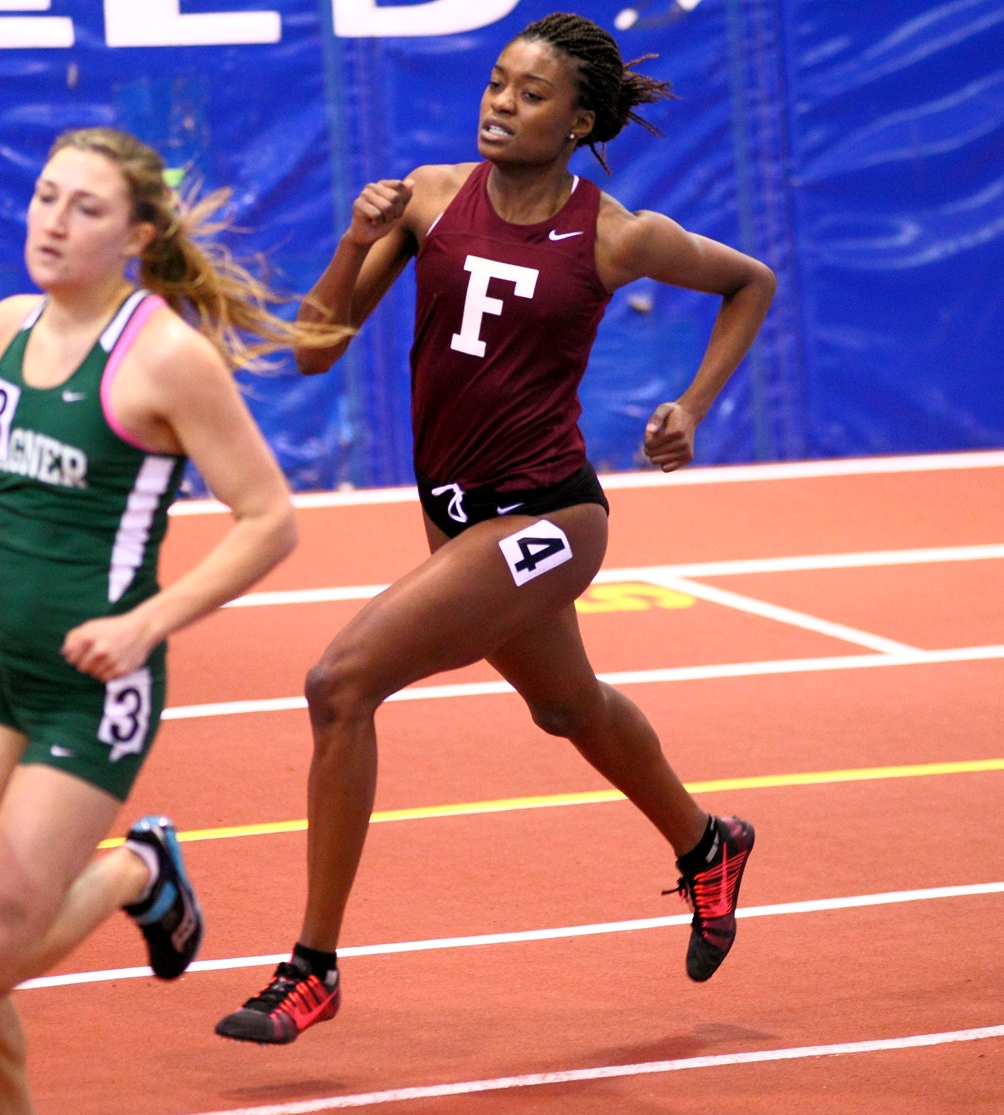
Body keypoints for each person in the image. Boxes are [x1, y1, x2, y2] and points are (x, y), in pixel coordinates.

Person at [213, 12, 776, 1045]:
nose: (500, 103)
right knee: (567, 707)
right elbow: (311, 352)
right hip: (455, 517)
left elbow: (751, 282)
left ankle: (313, 965)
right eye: (495, 83)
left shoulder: (616, 234)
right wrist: (353, 236)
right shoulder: (428, 198)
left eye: (529, 93)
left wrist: (692, 405)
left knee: (339, 683)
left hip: (552, 516)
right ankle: (707, 842)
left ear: (580, 121)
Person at [0, 127, 334, 1115]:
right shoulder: (6, 328)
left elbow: (270, 520)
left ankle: (140, 867)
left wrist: (150, 623)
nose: (51, 222)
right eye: (45, 195)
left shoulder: (165, 358)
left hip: (93, 686)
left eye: (83, 208)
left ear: (135, 232)